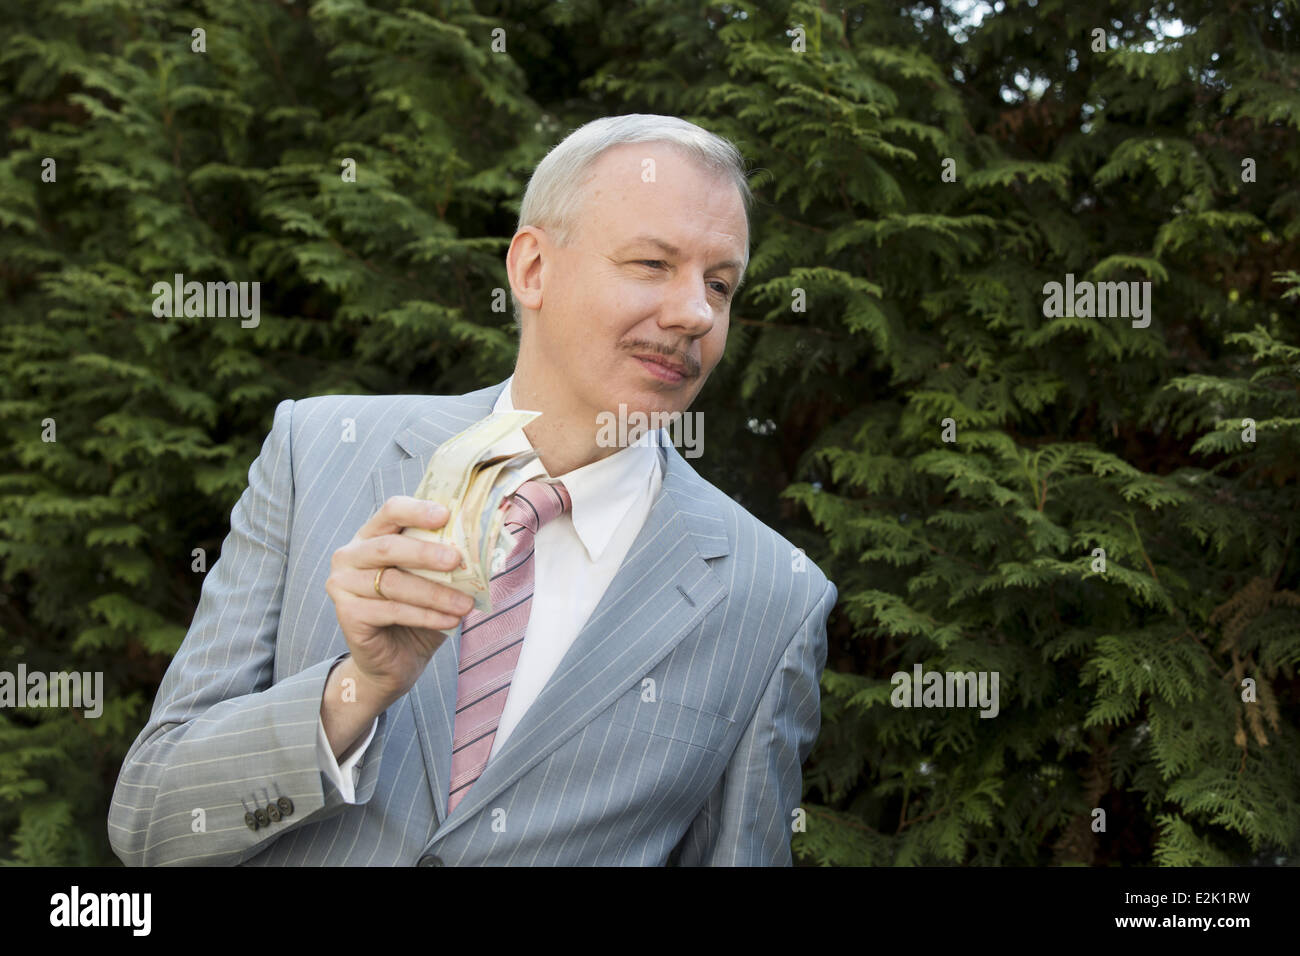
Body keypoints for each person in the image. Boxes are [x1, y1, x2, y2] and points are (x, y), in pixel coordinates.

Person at [108, 113, 837, 866]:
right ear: (532, 271)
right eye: (653, 264)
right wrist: (354, 692)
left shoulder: (774, 598)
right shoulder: (316, 454)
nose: (695, 313)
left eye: (719, 284)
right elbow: (150, 821)